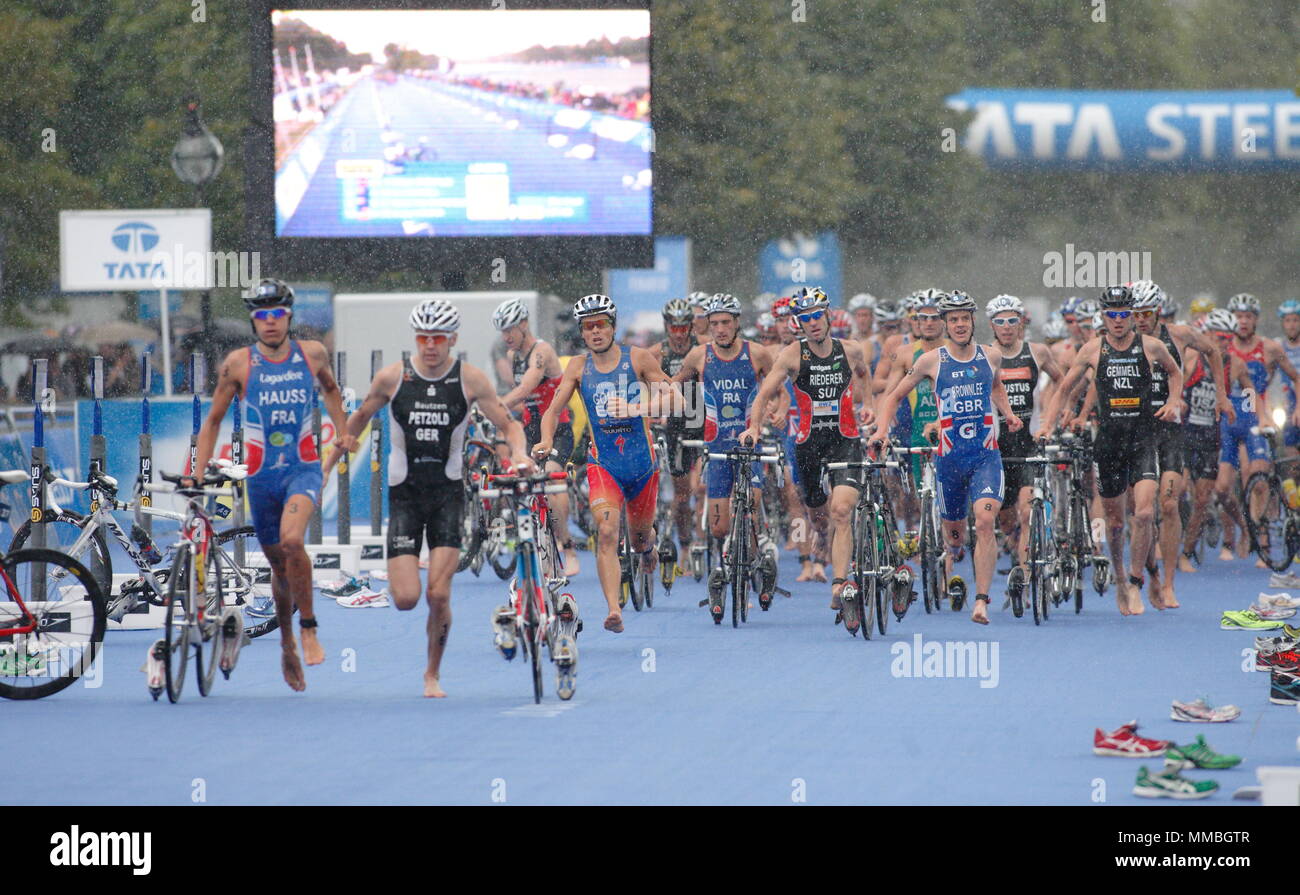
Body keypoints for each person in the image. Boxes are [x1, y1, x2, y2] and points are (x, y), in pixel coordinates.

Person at [326, 299, 533, 698]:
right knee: (406, 598)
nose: (431, 346)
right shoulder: (393, 378)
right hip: (405, 498)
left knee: (439, 593)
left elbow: (509, 425)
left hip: (447, 498)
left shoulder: (470, 380)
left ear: (452, 339)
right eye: (423, 338)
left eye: (438, 338)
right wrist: (328, 465)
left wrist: (520, 453)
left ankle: (432, 674)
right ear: (415, 339)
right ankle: (417, 616)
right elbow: (357, 421)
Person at [192, 278, 358, 692]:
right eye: (262, 316)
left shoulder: (312, 353)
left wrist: (342, 431)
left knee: (292, 542)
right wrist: (198, 467)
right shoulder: (237, 364)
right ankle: (286, 643)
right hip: (260, 478)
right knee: (278, 569)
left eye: (277, 315)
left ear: (289, 317)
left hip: (302, 470)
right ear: (253, 320)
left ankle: (309, 627)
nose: (270, 323)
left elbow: (333, 390)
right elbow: (212, 421)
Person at [875, 291, 1022, 625]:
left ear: (973, 322)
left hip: (985, 456)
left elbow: (996, 386)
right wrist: (882, 431)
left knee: (985, 523)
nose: (959, 325)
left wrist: (1008, 414)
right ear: (945, 324)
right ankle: (953, 554)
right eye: (952, 319)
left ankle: (981, 600)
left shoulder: (990, 356)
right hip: (949, 460)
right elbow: (894, 395)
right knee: (955, 535)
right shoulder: (931, 361)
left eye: (964, 319)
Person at [1040, 286, 1185, 616]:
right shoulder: (1093, 350)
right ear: (1103, 318)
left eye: (1124, 314)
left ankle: (1136, 582)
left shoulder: (1151, 346)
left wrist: (1174, 400)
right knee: (1116, 524)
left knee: (1146, 513)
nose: (1118, 321)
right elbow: (1064, 388)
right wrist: (1048, 423)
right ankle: (1120, 578)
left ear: (1133, 316)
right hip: (1108, 444)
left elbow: (1176, 373)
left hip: (1143, 439)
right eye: (1112, 315)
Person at [533, 294, 673, 634]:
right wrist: (547, 441)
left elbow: (678, 398)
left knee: (639, 540)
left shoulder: (637, 358)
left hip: (641, 466)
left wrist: (636, 409)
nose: (595, 332)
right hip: (604, 464)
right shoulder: (579, 368)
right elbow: (552, 411)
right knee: (607, 533)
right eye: (588, 327)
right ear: (582, 333)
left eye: (601, 324)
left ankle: (649, 548)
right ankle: (613, 610)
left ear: (613, 325)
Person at [740, 287, 875, 630]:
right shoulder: (791, 355)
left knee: (841, 510)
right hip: (809, 444)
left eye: (818, 316)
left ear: (829, 315)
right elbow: (763, 395)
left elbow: (863, 373)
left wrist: (869, 406)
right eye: (806, 318)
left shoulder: (851, 350)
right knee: (818, 516)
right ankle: (826, 544)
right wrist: (754, 428)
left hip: (845, 440)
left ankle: (839, 583)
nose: (813, 323)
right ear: (798, 323)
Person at [672, 293, 780, 619]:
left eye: (725, 323)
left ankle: (755, 564)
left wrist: (777, 408)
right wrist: (654, 405)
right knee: (718, 527)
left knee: (750, 504)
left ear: (736, 324)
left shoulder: (757, 353)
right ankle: (727, 566)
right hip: (717, 448)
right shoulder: (698, 355)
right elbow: (673, 384)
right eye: (713, 323)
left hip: (749, 445)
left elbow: (781, 388)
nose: (719, 329)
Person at [1129, 280, 1229, 606]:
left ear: (1157, 311)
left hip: (1171, 430)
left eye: (1146, 313)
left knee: (1170, 505)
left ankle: (1169, 582)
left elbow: (1213, 350)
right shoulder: (1122, 339)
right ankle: (1144, 576)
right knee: (1142, 512)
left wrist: (1222, 395)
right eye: (1135, 314)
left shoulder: (1180, 335)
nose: (1140, 320)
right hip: (1136, 431)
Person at [983, 295, 1065, 607]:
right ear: (992, 325)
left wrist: (1050, 420)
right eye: (1000, 321)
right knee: (1005, 521)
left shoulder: (1037, 352)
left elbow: (1061, 383)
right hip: (996, 446)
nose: (1006, 327)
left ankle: (1028, 575)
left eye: (1012, 320)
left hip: (1027, 442)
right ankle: (1020, 558)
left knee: (1028, 512)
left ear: (1021, 322)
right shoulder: (984, 355)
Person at [495, 298, 580, 577]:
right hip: (531, 430)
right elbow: (520, 401)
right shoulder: (512, 356)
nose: (506, 336)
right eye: (502, 331)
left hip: (557, 428)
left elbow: (525, 388)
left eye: (510, 329)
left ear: (523, 324)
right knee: (513, 474)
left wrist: (493, 406)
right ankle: (525, 533)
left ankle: (567, 547)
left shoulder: (541, 351)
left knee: (552, 479)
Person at [1217, 293, 1300, 564]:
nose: (1243, 322)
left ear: (1256, 319)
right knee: (1224, 487)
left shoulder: (1270, 348)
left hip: (1257, 417)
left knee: (1259, 478)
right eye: (1238, 317)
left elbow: (1296, 378)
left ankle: (1261, 539)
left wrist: (1298, 408)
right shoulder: (1222, 349)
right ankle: (1243, 529)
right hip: (1229, 420)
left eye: (1248, 317)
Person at [1179, 309, 1250, 572]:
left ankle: (1186, 553)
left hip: (1211, 437)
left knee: (1203, 498)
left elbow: (1250, 389)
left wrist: (1250, 414)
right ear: (1207, 334)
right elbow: (1173, 380)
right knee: (1178, 490)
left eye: (1227, 339)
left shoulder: (1234, 364)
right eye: (1219, 337)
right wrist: (1176, 399)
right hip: (1185, 435)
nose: (1223, 343)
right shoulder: (1191, 358)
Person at [648, 298, 706, 566]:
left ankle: (703, 540)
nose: (680, 333)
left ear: (692, 327)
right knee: (682, 497)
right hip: (674, 427)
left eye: (685, 328)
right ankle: (684, 543)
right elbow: (642, 385)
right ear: (667, 326)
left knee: (702, 488)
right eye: (675, 327)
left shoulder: (703, 349)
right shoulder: (657, 353)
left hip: (703, 422)